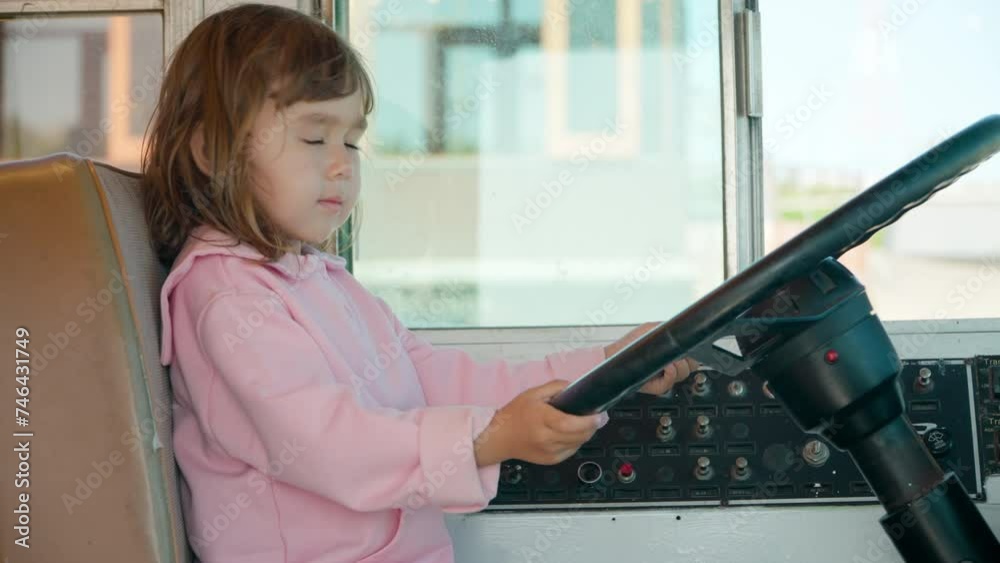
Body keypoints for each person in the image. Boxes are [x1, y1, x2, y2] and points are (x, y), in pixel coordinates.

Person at [142, 4, 696, 562]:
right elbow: (331, 446)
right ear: (213, 151)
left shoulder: (320, 280)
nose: (342, 165)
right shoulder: (228, 298)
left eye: (352, 142)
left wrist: (604, 367)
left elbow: (433, 379)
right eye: (315, 139)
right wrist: (491, 438)